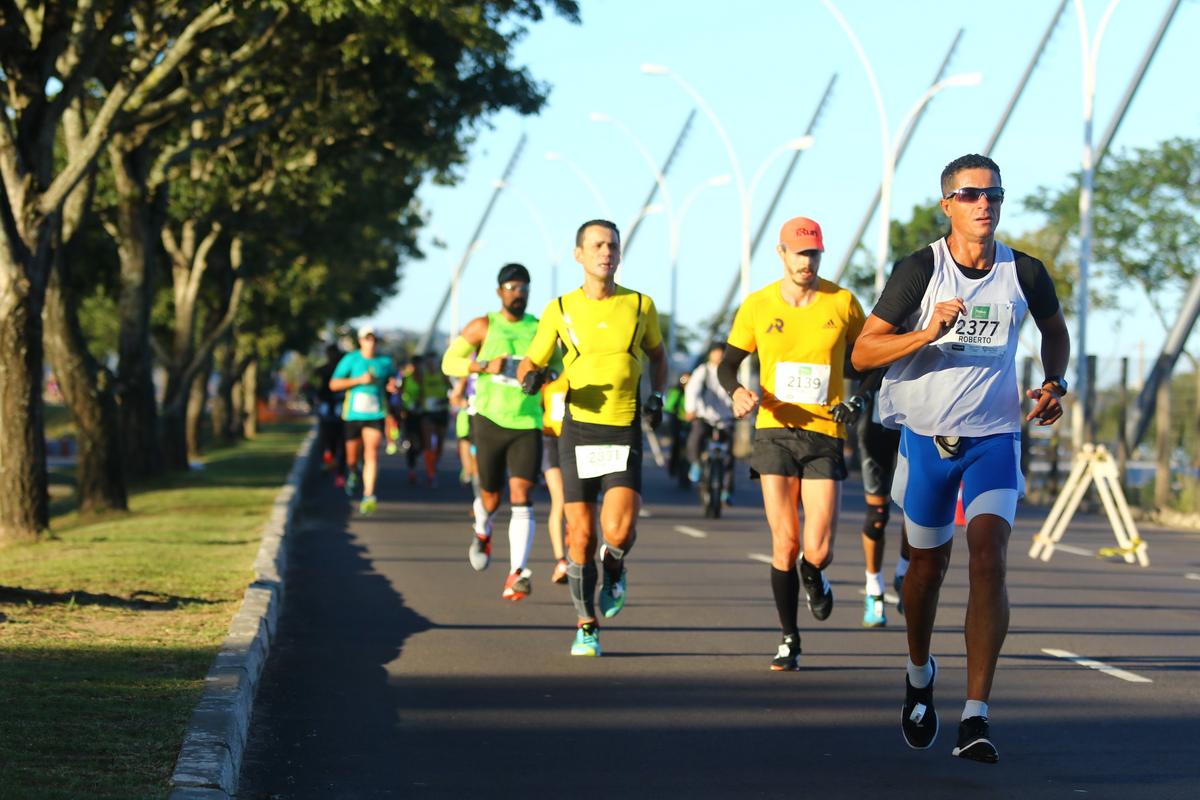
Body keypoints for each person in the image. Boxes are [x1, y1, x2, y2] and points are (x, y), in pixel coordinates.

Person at [852, 154, 1069, 763]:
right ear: (947, 203)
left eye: (994, 194)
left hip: (995, 437)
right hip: (926, 439)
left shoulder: (1024, 271)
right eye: (971, 194)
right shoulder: (921, 269)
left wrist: (1056, 382)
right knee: (925, 570)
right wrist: (927, 331)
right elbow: (865, 354)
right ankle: (919, 673)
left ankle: (976, 715)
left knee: (988, 558)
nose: (985, 204)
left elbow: (1055, 329)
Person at [716, 216, 865, 671]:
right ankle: (789, 636)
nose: (807, 261)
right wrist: (736, 390)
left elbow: (868, 363)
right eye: (799, 253)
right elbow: (728, 364)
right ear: (781, 254)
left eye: (814, 253)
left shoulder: (842, 303)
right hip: (774, 430)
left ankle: (814, 574)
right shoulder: (759, 304)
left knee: (817, 548)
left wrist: (856, 400)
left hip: (824, 433)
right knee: (784, 542)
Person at [517, 219, 667, 657]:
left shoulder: (640, 305)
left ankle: (614, 565)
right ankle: (586, 625)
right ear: (578, 254)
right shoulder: (559, 308)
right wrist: (530, 379)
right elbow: (530, 363)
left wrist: (657, 395)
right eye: (597, 245)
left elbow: (658, 357)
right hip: (578, 429)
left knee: (618, 530)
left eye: (613, 246)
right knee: (578, 535)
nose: (606, 252)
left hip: (623, 427)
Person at [442, 264, 546, 601]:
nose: (520, 294)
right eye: (513, 287)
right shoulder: (483, 326)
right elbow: (450, 362)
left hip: (527, 423)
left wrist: (547, 376)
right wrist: (484, 365)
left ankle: (517, 572)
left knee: (522, 496)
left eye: (525, 288)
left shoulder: (540, 329)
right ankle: (483, 530)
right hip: (488, 421)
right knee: (490, 496)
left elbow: (559, 365)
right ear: (500, 291)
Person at [853, 374, 911, 627]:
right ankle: (874, 589)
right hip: (876, 421)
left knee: (916, 511)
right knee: (877, 516)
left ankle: (904, 573)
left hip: (918, 419)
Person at [329, 326, 397, 515]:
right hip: (352, 415)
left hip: (375, 414)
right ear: (360, 340)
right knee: (352, 457)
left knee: (372, 453)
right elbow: (334, 384)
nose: (371, 342)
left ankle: (369, 495)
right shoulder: (351, 359)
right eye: (367, 339)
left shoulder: (384, 362)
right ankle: (352, 472)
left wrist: (393, 385)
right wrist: (358, 380)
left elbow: (394, 379)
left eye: (374, 339)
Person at [685, 342, 737, 503]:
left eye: (722, 353)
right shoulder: (703, 371)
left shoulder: (731, 371)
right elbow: (692, 389)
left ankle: (726, 490)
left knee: (729, 455)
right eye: (716, 352)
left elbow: (740, 390)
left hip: (726, 418)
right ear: (710, 354)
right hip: (705, 417)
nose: (719, 356)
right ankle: (696, 464)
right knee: (696, 438)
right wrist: (691, 409)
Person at [541, 372, 570, 584]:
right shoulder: (547, 383)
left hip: (576, 442)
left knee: (576, 504)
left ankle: (575, 555)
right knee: (559, 501)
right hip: (550, 442)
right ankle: (561, 560)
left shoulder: (578, 373)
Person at [311, 342, 347, 485]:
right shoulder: (321, 370)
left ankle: (339, 473)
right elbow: (313, 386)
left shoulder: (343, 370)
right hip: (326, 408)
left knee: (342, 441)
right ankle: (328, 461)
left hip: (341, 407)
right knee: (326, 438)